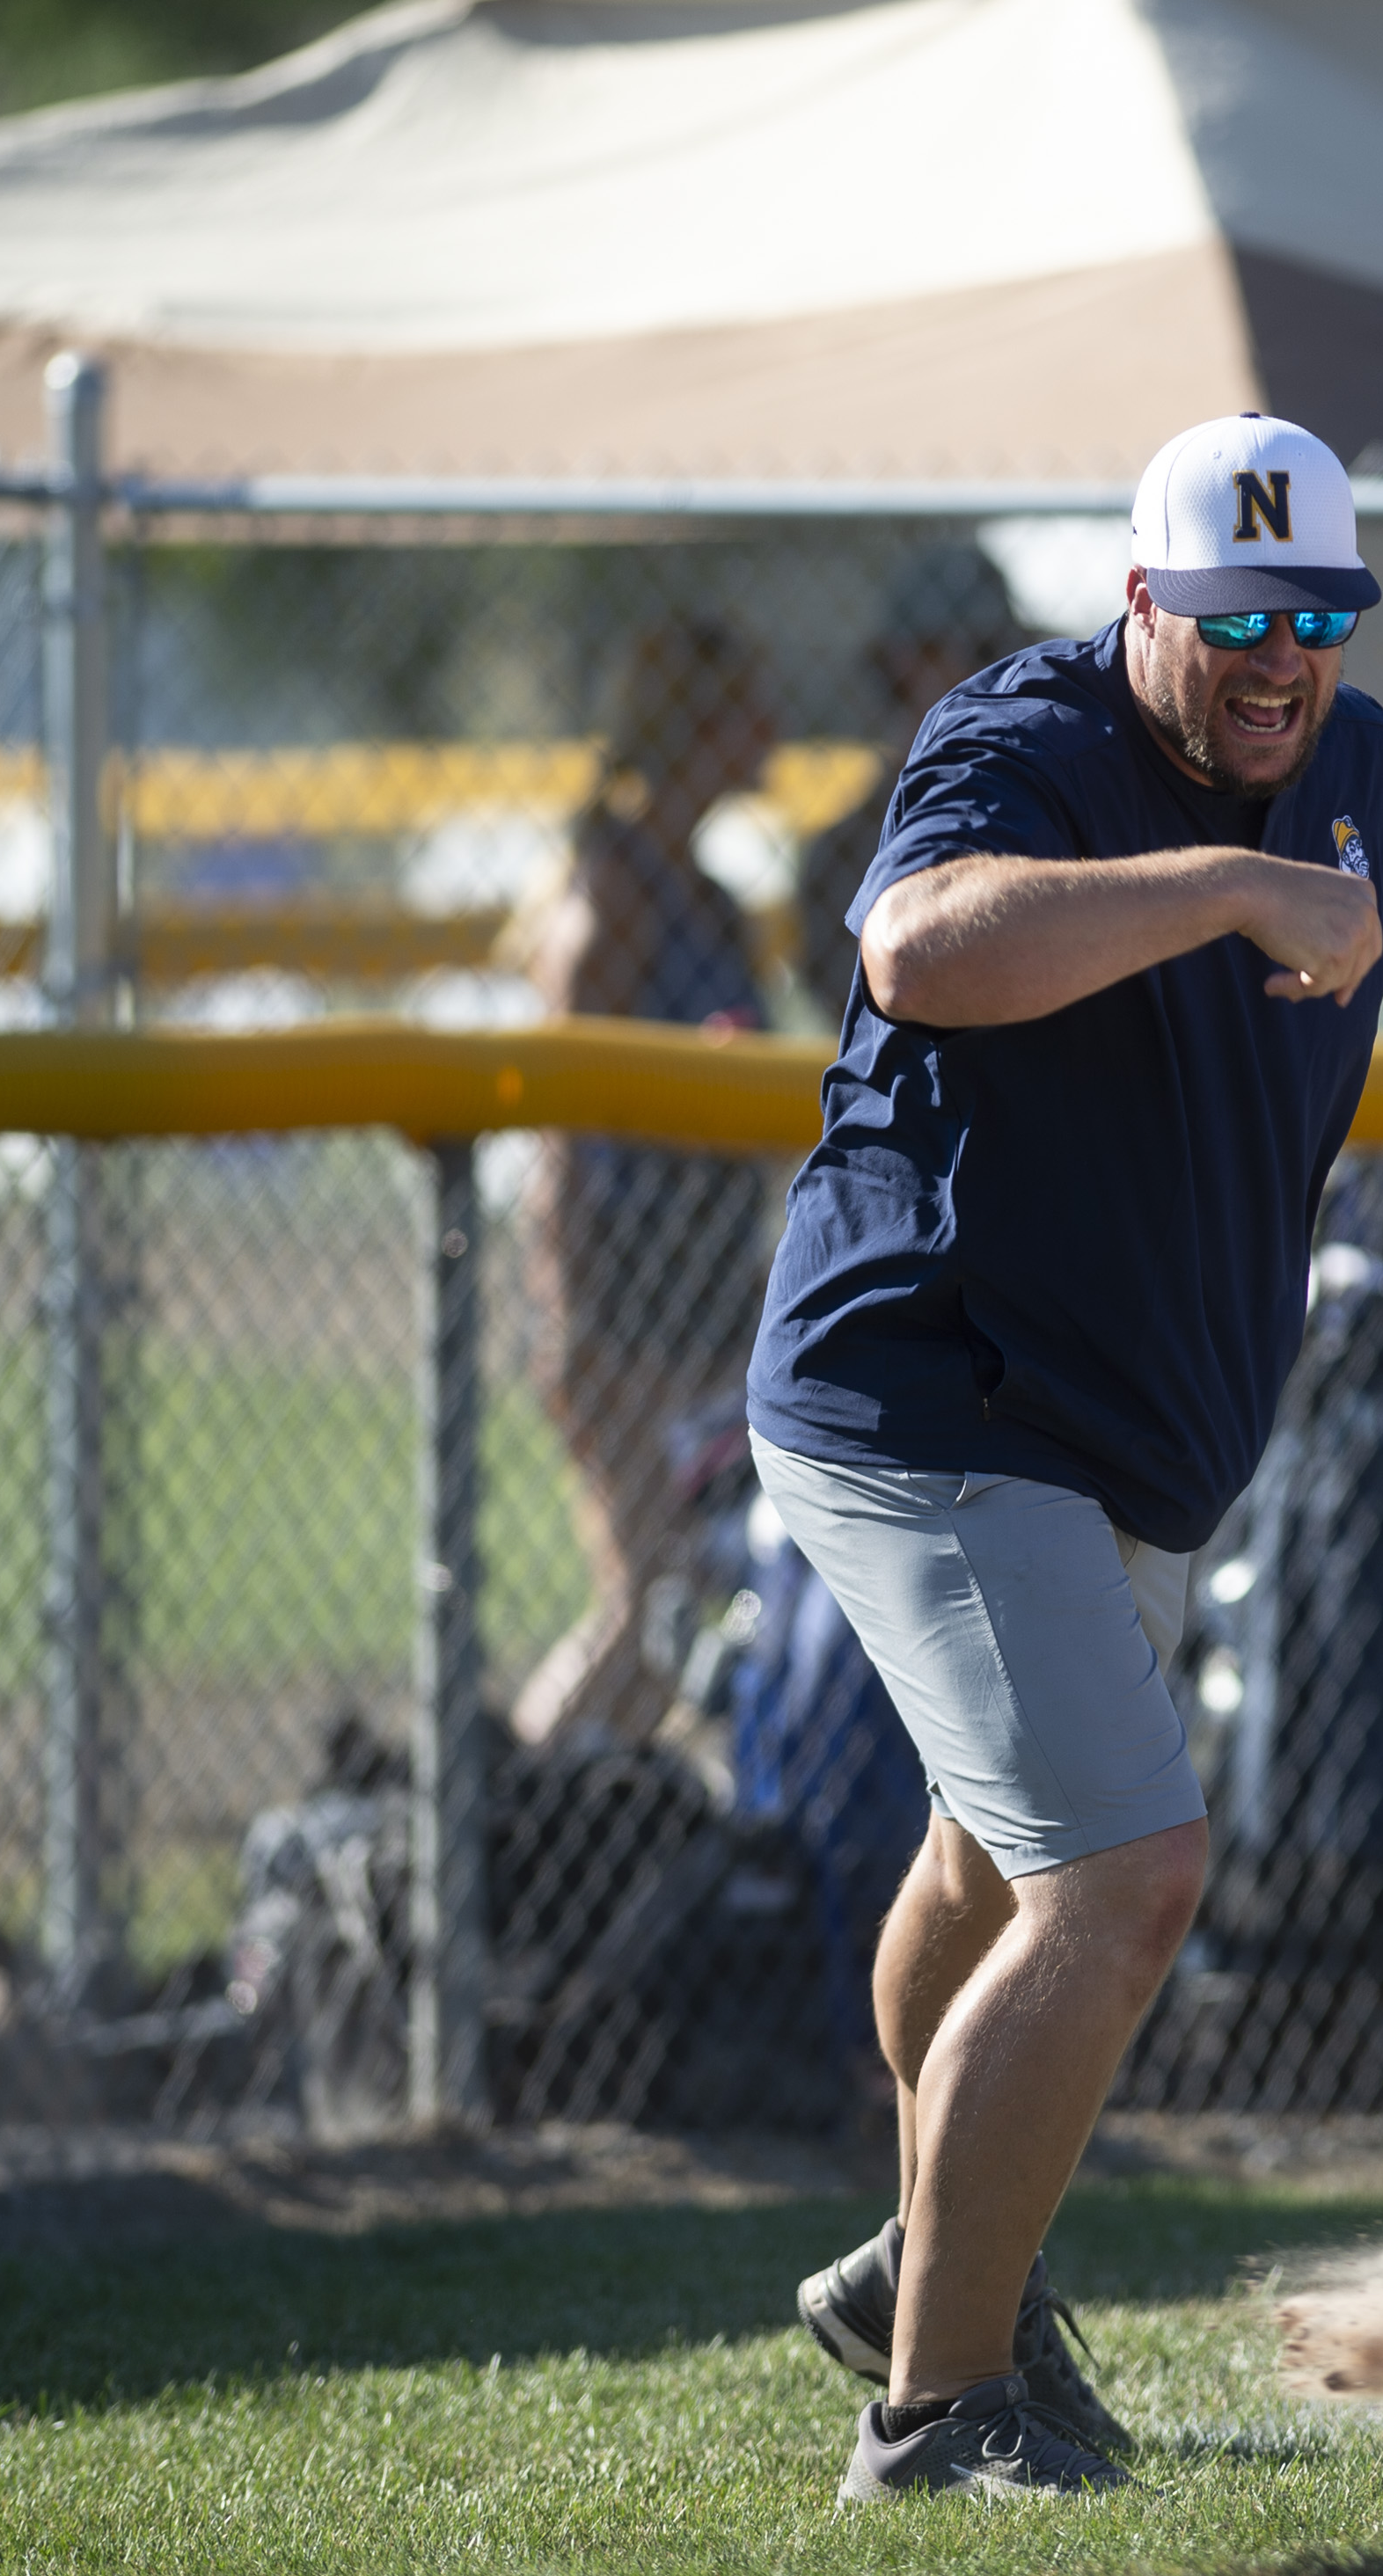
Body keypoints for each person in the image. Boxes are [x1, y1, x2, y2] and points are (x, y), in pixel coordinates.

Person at [742, 413, 1383, 2501]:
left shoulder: (1359, 765)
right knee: (1122, 1876)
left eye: (1309, 615)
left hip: (1117, 1420)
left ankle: (939, 2269)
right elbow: (920, 946)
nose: (1273, 657)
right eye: (1227, 617)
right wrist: (1219, 881)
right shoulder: (1019, 734)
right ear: (1141, 603)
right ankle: (937, 2412)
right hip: (938, 1392)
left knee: (992, 1858)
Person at [508, 617, 782, 1750]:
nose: (771, 732)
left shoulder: (710, 896)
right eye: (747, 710)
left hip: (710, 1293)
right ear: (699, 731)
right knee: (643, 1600)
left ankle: (597, 1816)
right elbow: (561, 1127)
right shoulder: (613, 892)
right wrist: (564, 1313)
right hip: (621, 1297)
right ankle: (499, 1810)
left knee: (703, 1592)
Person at [795, 543, 1032, 1026]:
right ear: (907, 660)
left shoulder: (1038, 809)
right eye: (986, 653)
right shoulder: (841, 854)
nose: (1006, 676)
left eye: (1010, 654)